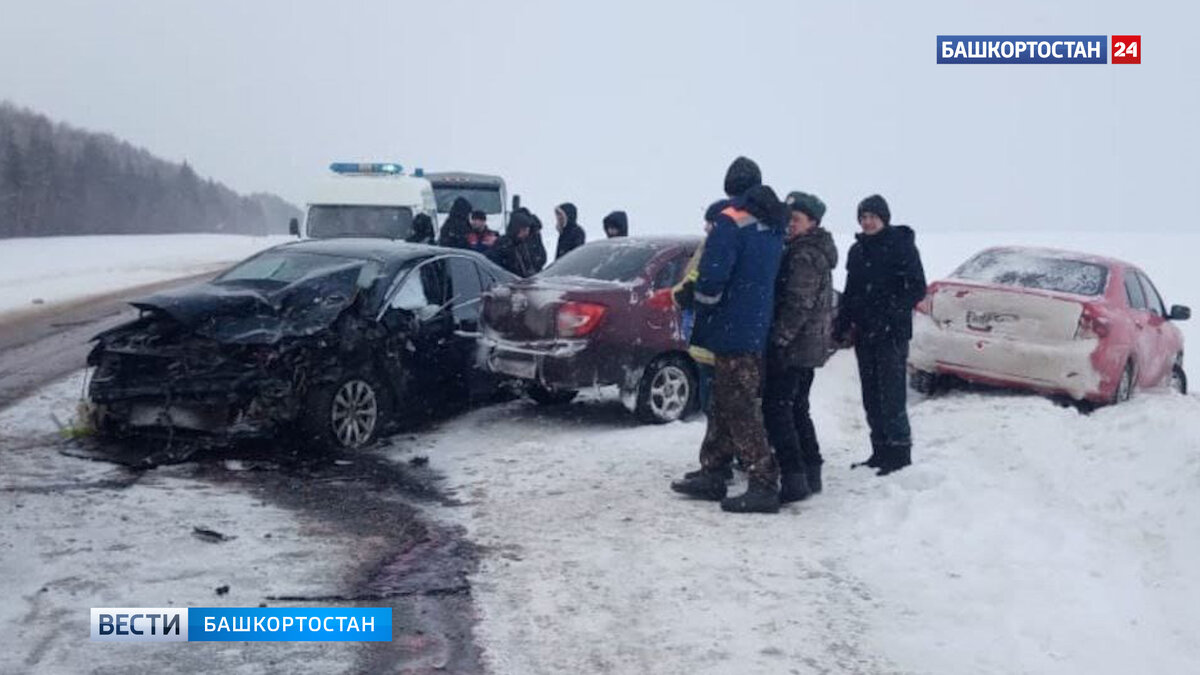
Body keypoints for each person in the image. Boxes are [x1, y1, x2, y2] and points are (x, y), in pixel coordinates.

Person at [670, 156, 787, 514]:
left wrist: (700, 301)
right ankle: (714, 470)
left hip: (729, 325)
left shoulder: (730, 221)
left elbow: (713, 275)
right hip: (754, 324)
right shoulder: (773, 222)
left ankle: (764, 482)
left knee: (738, 406)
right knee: (723, 401)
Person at [834, 194, 927, 475]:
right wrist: (842, 323)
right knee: (871, 395)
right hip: (865, 334)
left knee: (892, 395)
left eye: (872, 217)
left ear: (884, 218)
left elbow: (916, 287)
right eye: (863, 218)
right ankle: (879, 450)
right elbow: (851, 292)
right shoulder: (857, 251)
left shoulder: (901, 246)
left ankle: (899, 455)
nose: (867, 222)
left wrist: (889, 314)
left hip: (891, 334)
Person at [762, 192, 838, 503]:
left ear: (813, 222)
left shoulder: (804, 255)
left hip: (795, 346)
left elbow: (799, 303)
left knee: (777, 409)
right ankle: (810, 470)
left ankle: (794, 476)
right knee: (796, 407)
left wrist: (779, 339)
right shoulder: (809, 249)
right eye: (789, 218)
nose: (790, 224)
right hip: (807, 345)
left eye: (797, 219)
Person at [488, 210, 537, 277]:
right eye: (524, 230)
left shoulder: (522, 244)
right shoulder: (503, 245)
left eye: (527, 230)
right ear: (516, 229)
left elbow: (528, 265)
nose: (526, 233)